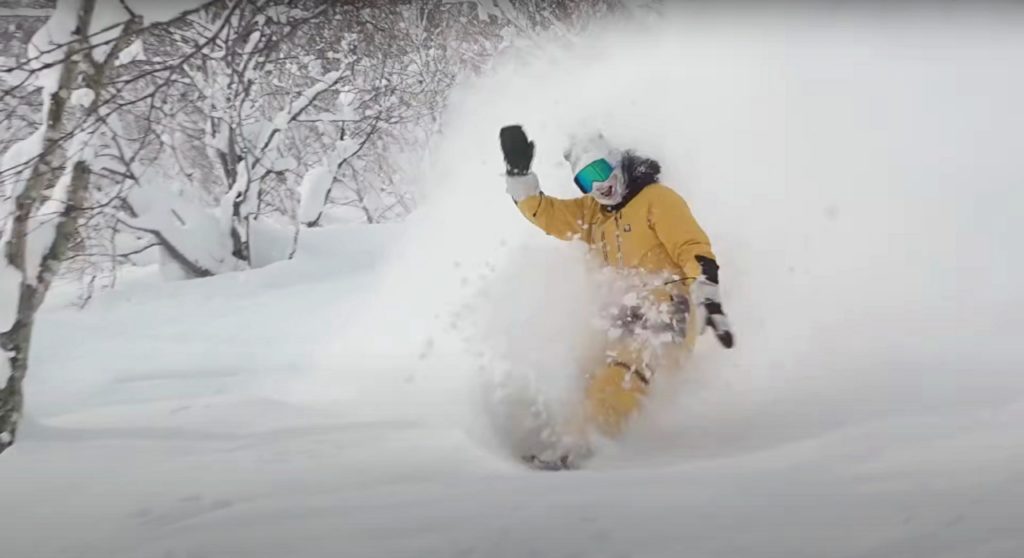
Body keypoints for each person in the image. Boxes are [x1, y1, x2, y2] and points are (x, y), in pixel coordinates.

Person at [498, 125, 734, 452]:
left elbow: (691, 247)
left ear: (615, 161)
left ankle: (588, 444)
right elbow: (547, 214)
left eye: (600, 171)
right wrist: (519, 176)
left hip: (667, 311)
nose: (598, 186)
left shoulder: (656, 200)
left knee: (625, 367)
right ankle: (557, 435)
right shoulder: (592, 213)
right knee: (582, 369)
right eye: (585, 181)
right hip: (621, 315)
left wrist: (707, 294)